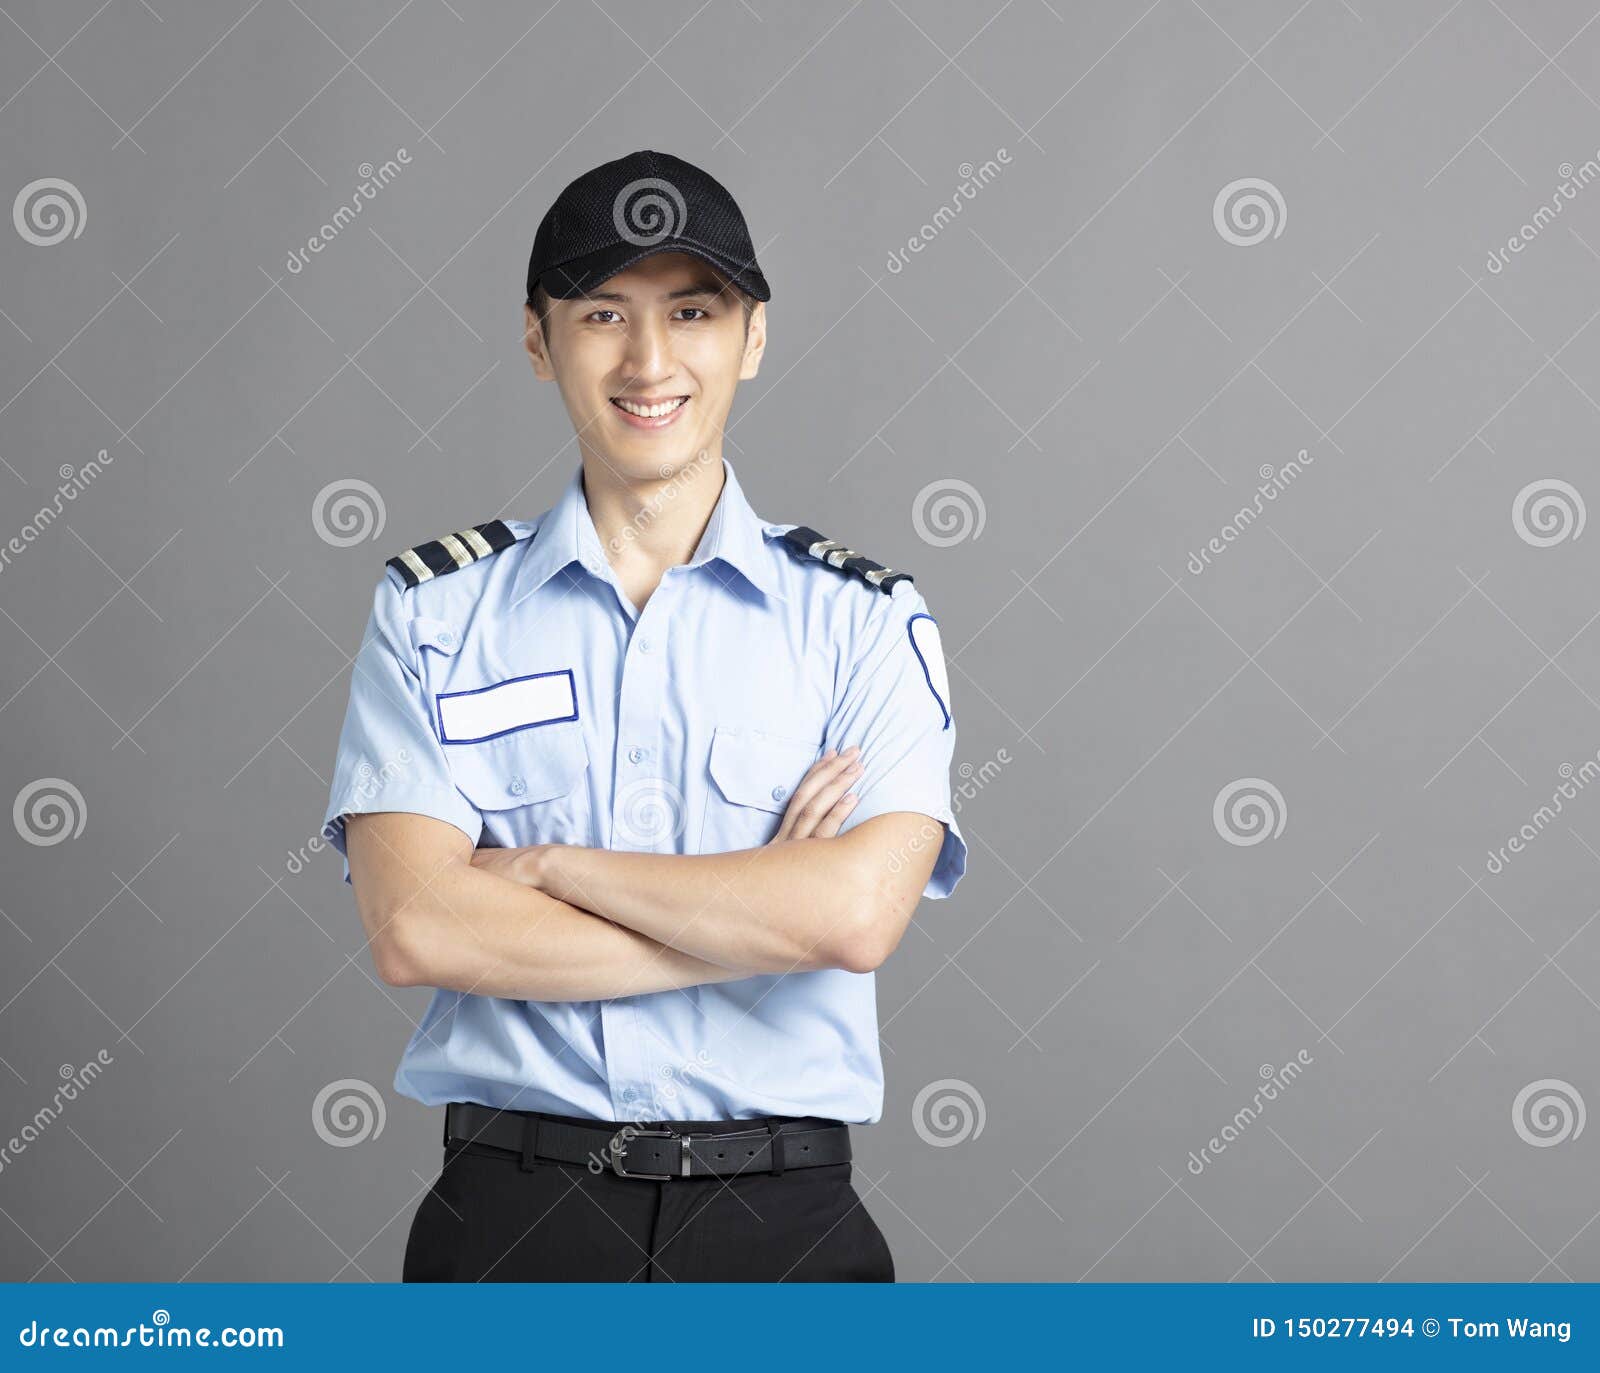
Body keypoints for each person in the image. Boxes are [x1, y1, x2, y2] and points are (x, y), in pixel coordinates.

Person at [322, 149, 967, 1283]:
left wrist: (550, 866)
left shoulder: (863, 621)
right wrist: (755, 916)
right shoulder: (430, 612)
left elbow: (857, 917)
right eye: (602, 313)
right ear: (538, 339)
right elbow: (419, 928)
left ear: (752, 337)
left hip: (783, 1229)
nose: (650, 359)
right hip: (511, 1226)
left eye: (694, 311)